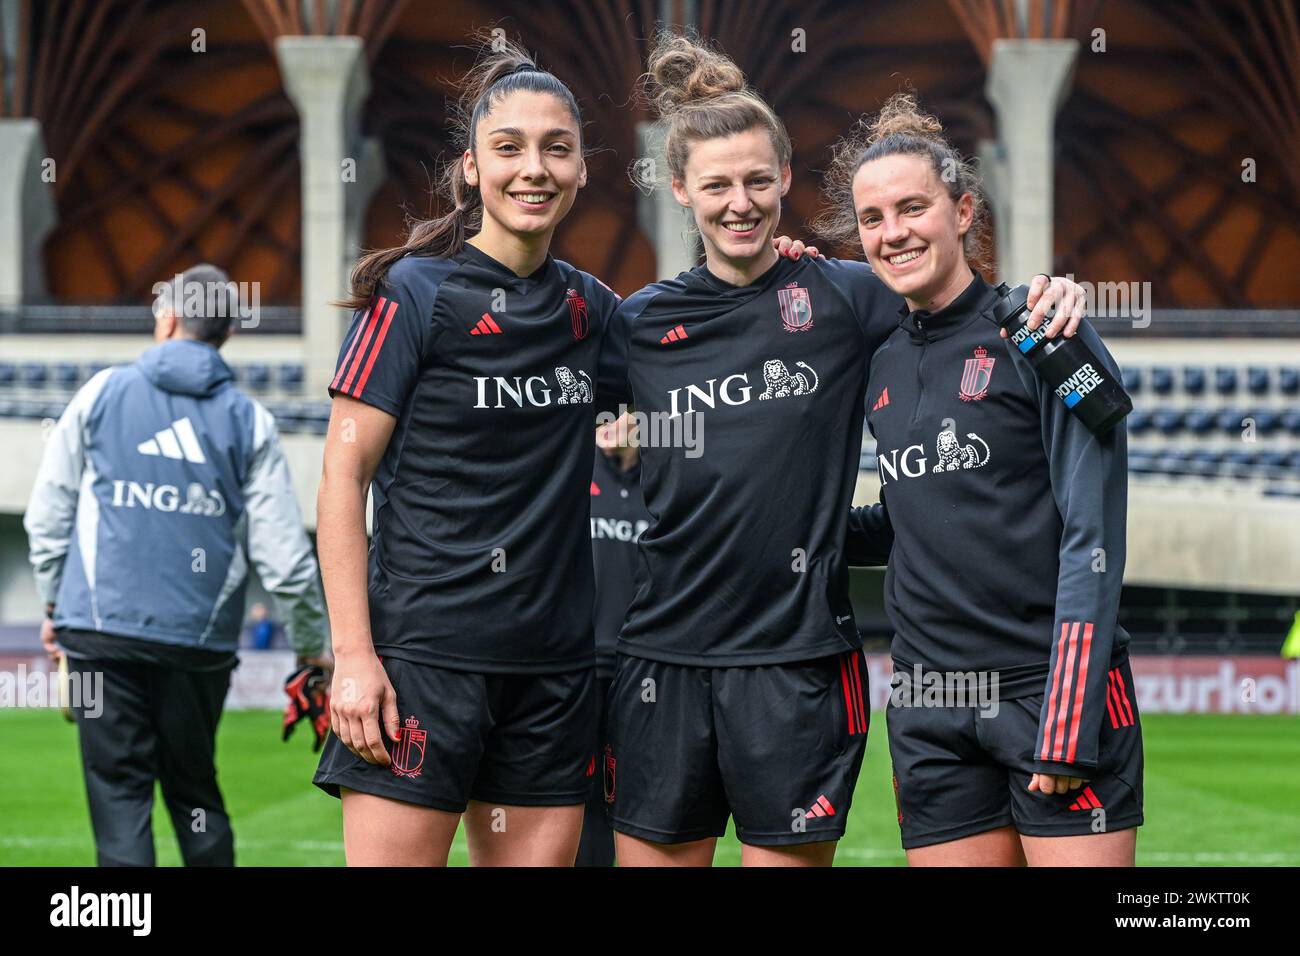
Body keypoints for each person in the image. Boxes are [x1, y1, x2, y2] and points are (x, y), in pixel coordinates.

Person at [600, 34, 1086, 867]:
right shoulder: (636, 323)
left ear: (786, 178)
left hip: (799, 669)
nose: (740, 203)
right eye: (716, 185)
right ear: (680, 189)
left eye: (759, 181)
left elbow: (952, 306)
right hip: (661, 661)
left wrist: (1052, 292)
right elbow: (576, 437)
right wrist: (626, 451)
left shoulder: (846, 296)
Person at [310, 42, 626, 867]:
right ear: (472, 169)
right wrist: (352, 658)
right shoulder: (415, 292)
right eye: (510, 147)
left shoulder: (595, 312)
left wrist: (792, 266)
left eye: (557, 147)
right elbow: (343, 476)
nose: (535, 168)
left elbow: (710, 347)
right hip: (423, 664)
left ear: (583, 170)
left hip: (554, 674)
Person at [832, 94, 1141, 865]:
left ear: (963, 210)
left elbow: (1091, 534)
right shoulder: (882, 365)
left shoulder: (1043, 329)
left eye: (913, 207)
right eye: (872, 218)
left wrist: (1068, 721)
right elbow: (919, 515)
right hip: (932, 704)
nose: (893, 232)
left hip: (1049, 689)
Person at [24, 262, 328, 867]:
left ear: (166, 319)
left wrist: (56, 607)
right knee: (195, 793)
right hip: (198, 648)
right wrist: (312, 644)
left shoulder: (100, 393)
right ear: (228, 334)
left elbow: (46, 517)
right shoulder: (251, 421)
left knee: (117, 802)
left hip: (93, 640)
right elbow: (284, 559)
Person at [576, 412, 648, 866]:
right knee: (580, 801)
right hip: (578, 664)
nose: (610, 421)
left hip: (642, 668)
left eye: (620, 413)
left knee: (638, 800)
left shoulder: (662, 480)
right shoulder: (575, 468)